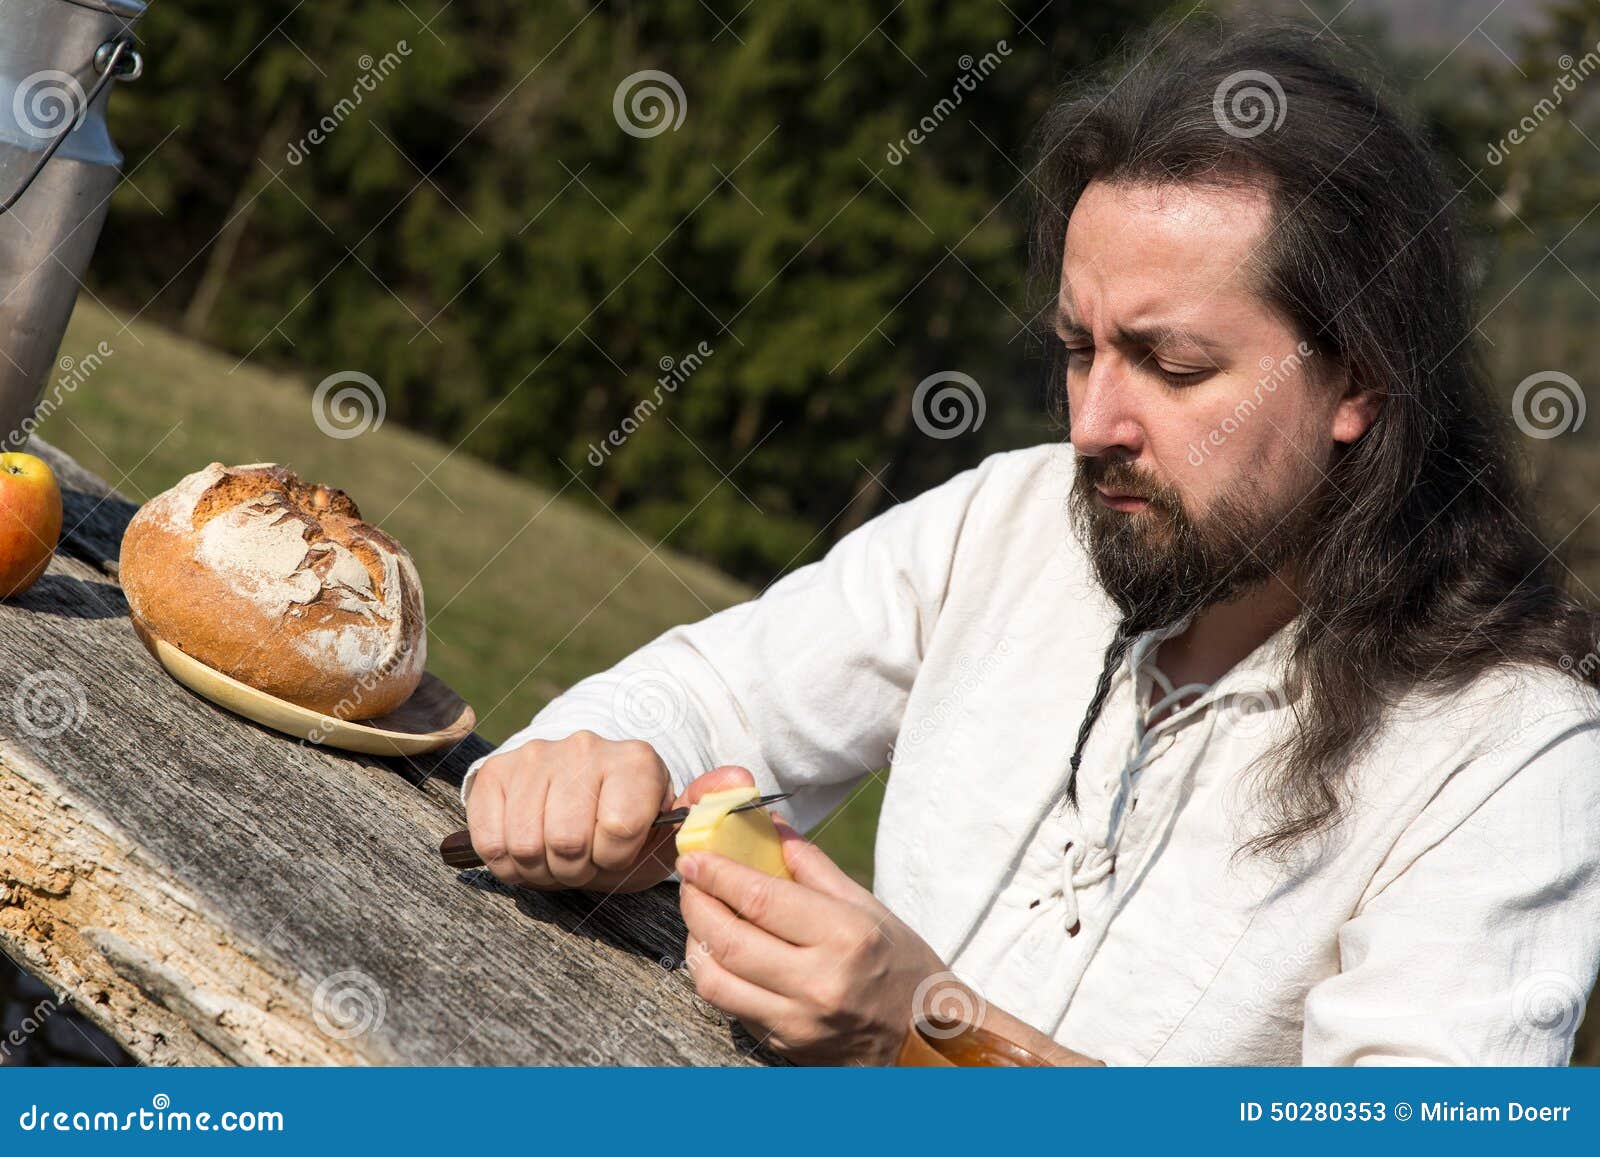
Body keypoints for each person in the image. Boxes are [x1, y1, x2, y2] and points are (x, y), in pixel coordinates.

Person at [460, 17, 1600, 1066]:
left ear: (1358, 377)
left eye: (1174, 366)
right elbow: (706, 696)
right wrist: (602, 766)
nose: (1094, 424)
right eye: (1076, 350)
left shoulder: (1512, 753)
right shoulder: (1012, 518)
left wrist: (934, 1039)